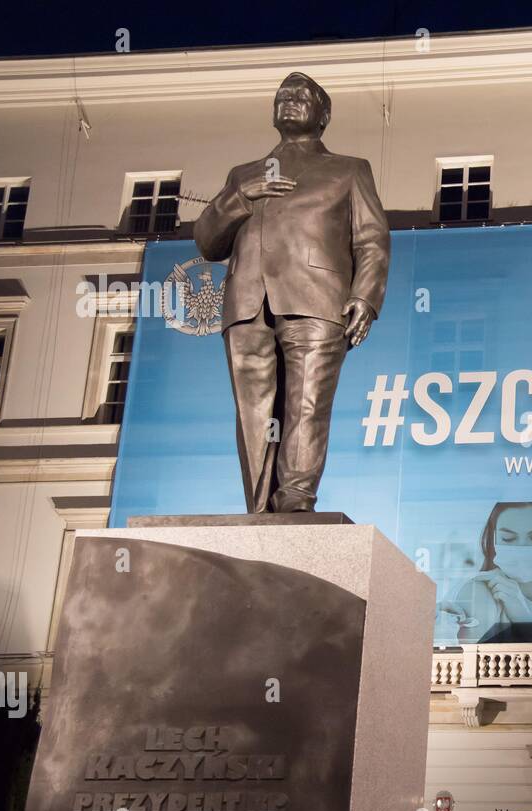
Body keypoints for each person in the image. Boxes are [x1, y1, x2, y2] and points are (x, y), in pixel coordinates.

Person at [195, 72, 390, 513]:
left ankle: (296, 498)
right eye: (283, 95)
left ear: (324, 115)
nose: (290, 100)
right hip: (247, 305)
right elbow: (208, 242)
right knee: (254, 411)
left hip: (319, 299)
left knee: (306, 404)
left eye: (303, 96)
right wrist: (240, 197)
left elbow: (372, 240)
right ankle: (260, 506)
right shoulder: (242, 175)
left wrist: (366, 295)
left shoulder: (349, 169)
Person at [448, 502, 532, 641]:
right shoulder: (479, 590)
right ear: (495, 536)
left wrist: (522, 616)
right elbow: (470, 659)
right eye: (508, 538)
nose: (522, 548)